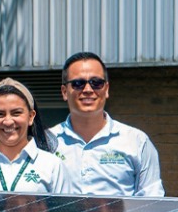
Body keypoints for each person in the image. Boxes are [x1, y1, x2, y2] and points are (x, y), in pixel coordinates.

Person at [51, 51, 164, 196]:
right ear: (64, 92)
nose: (88, 90)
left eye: (96, 83)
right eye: (78, 83)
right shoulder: (46, 143)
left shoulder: (137, 142)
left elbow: (152, 203)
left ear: (107, 89)